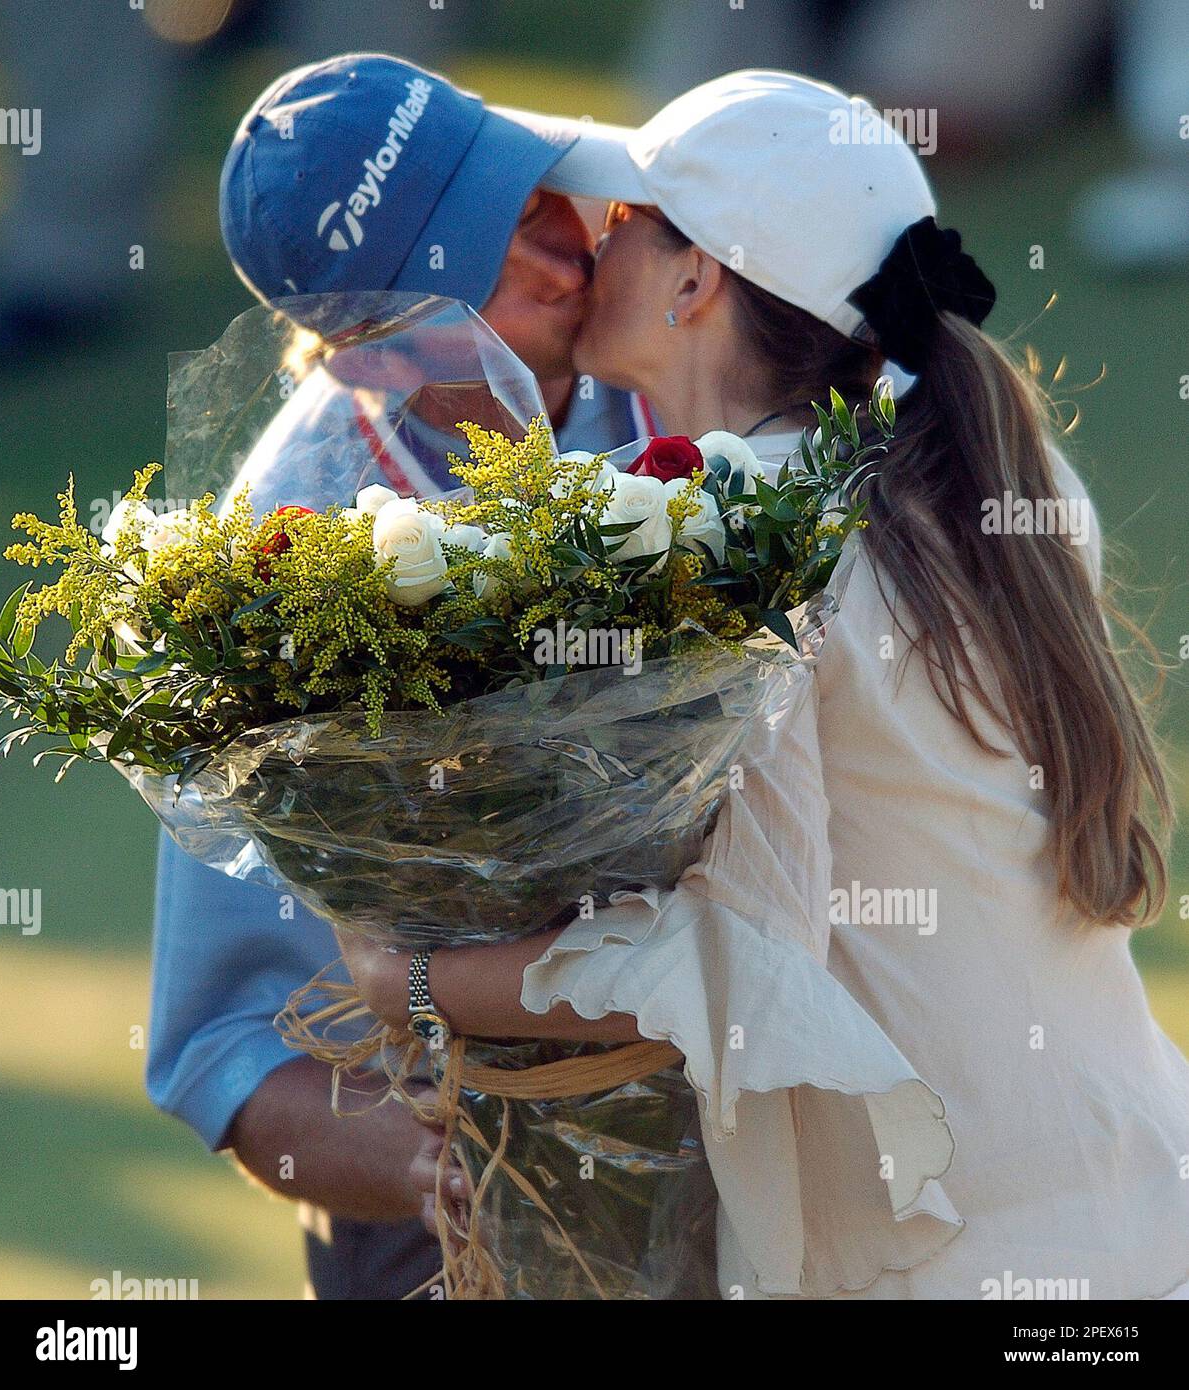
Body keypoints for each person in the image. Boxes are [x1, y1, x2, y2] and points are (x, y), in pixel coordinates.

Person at [343, 71, 1189, 1298]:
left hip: (952, 1260)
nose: (594, 237)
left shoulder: (736, 539)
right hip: (1137, 1200)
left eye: (631, 219)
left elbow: (747, 963)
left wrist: (407, 975)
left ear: (698, 282)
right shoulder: (1001, 473)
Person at [148, 52, 654, 1301]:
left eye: (523, 191)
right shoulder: (281, 553)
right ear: (365, 358)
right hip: (460, 1207)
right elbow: (218, 1042)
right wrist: (404, 1163)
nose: (555, 256)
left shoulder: (691, 333)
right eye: (480, 264)